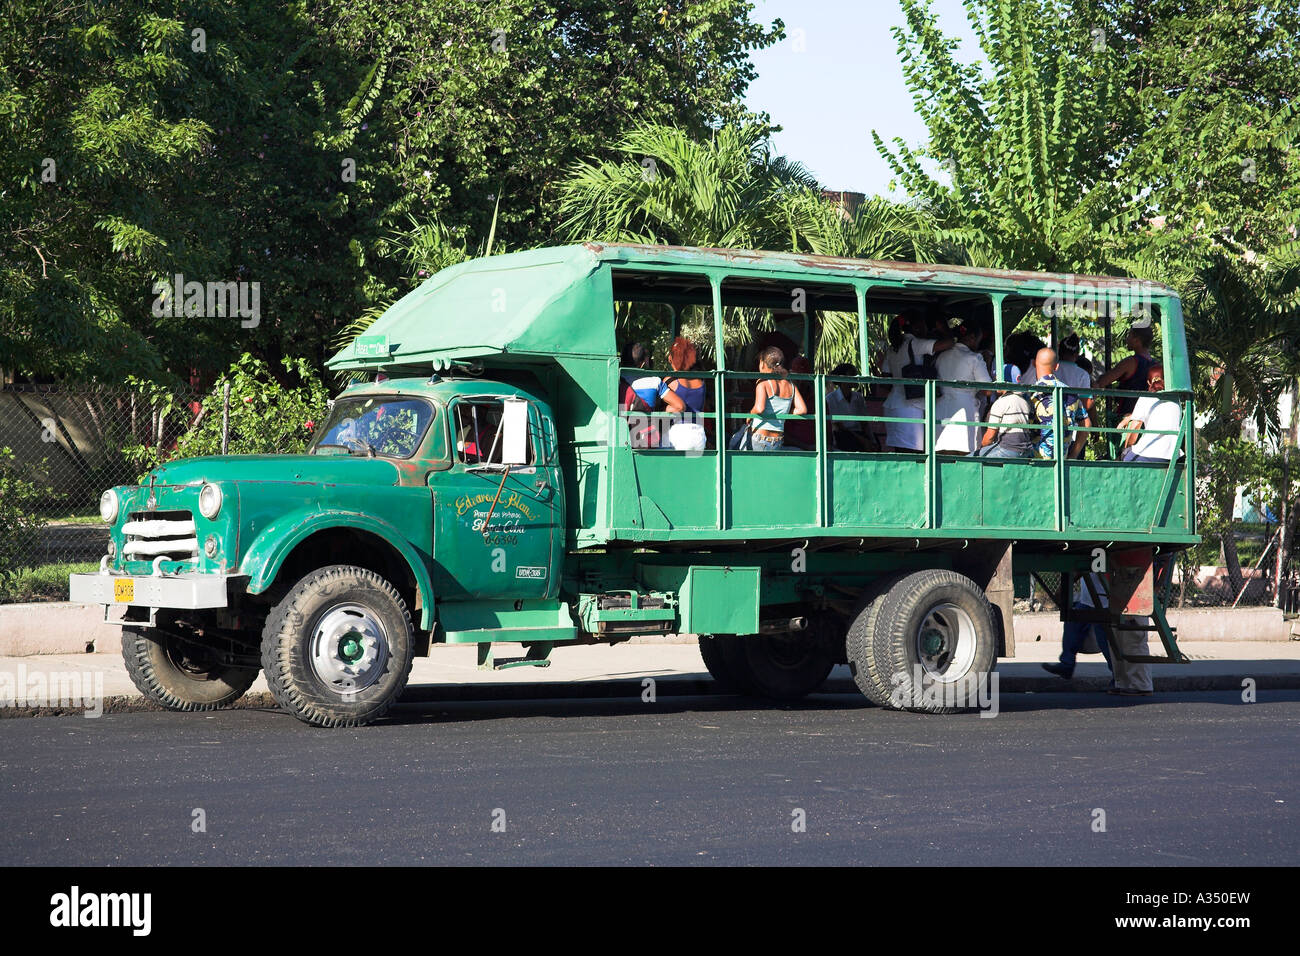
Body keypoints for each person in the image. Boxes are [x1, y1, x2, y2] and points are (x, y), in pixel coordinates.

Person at [883, 309, 955, 452]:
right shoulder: (915, 343)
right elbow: (949, 343)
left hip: (892, 405)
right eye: (924, 325)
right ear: (916, 327)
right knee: (914, 454)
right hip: (910, 407)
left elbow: (885, 376)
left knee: (901, 453)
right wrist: (943, 329)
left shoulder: (894, 347)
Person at [1042, 572, 1115, 680]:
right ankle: (1067, 664)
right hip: (1088, 600)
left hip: (1103, 602)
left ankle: (1117, 676)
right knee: (1072, 625)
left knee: (1105, 641)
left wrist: (1063, 587)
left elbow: (1079, 570)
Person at [934, 323, 992, 455]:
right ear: (972, 337)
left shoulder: (941, 356)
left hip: (941, 409)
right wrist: (987, 362)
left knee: (943, 454)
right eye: (978, 340)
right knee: (965, 456)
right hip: (965, 412)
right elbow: (987, 391)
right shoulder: (974, 358)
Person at [1028, 347, 1090, 459]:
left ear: (1033, 363)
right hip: (1062, 458)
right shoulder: (1070, 392)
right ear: (1056, 366)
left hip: (1036, 461)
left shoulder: (1032, 394)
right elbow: (1086, 423)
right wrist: (1073, 455)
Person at [620, 342, 685, 448]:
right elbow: (680, 406)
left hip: (620, 439)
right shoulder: (654, 382)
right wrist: (661, 414)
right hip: (645, 441)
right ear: (643, 363)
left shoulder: (615, 380)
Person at [747, 346, 806, 451]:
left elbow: (759, 408)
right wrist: (783, 412)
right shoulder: (790, 385)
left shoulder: (763, 382)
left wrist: (750, 414)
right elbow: (802, 410)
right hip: (777, 440)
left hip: (760, 437)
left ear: (763, 363)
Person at [1119, 365, 1182, 463]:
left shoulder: (1146, 397)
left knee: (1124, 456)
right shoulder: (1176, 399)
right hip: (1173, 456)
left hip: (1147, 454)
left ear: (1148, 382)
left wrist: (1127, 449)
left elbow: (1135, 429)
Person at [1095, 319, 1157, 415]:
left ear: (1137, 340)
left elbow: (1103, 381)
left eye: (1129, 335)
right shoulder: (1156, 365)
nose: (1127, 339)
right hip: (1148, 415)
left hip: (1128, 416)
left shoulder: (1131, 362)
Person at [976, 366, 1036, 458]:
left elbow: (990, 436)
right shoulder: (1024, 400)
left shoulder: (1001, 402)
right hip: (1026, 449)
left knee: (972, 458)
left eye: (996, 379)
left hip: (1008, 449)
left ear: (1004, 382)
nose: (994, 382)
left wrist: (981, 449)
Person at [662, 336, 708, 451]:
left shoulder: (670, 380)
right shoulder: (701, 380)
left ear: (670, 358)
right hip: (699, 434)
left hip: (678, 434)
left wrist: (668, 408)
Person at [826, 363, 872, 451]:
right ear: (842, 377)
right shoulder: (831, 399)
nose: (856, 377)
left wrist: (871, 440)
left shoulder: (858, 397)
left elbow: (865, 423)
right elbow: (838, 426)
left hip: (859, 435)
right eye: (852, 374)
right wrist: (863, 440)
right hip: (842, 436)